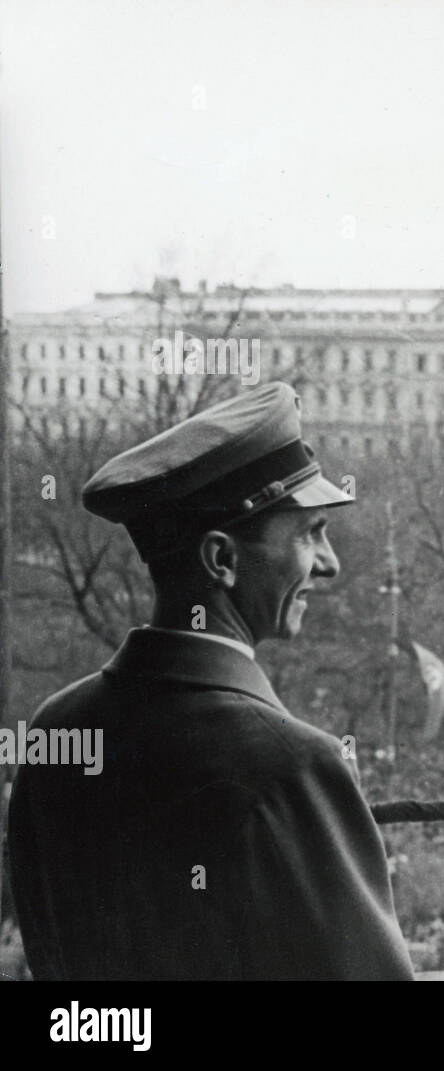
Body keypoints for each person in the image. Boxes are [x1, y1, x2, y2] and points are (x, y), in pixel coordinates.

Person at [8, 383, 414, 980]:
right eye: (309, 533)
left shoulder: (55, 730)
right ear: (221, 559)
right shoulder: (291, 768)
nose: (329, 563)